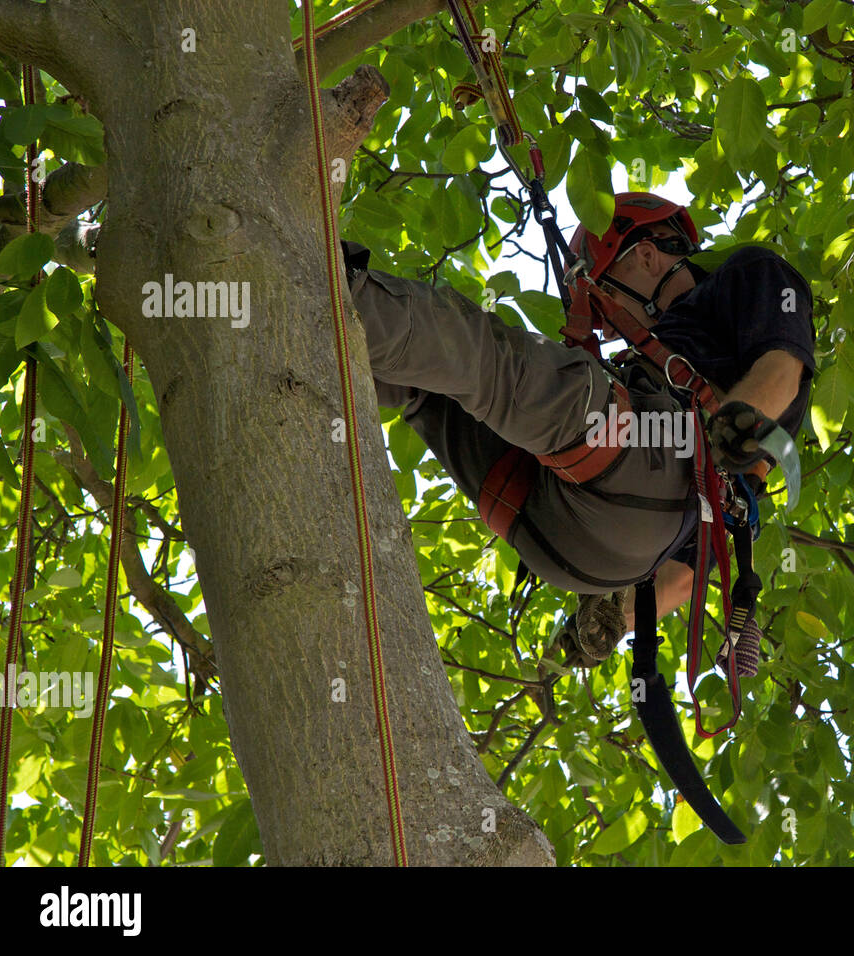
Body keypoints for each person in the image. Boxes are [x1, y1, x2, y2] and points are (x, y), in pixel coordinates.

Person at [341, 192, 815, 664]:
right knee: (434, 386)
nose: (606, 327)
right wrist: (597, 632)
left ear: (647, 256)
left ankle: (337, 287)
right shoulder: (660, 359)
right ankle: (324, 349)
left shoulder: (749, 273)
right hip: (584, 551)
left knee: (491, 359)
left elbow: (782, 369)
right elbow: (685, 576)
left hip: (652, 458)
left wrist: (733, 426)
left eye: (604, 289)